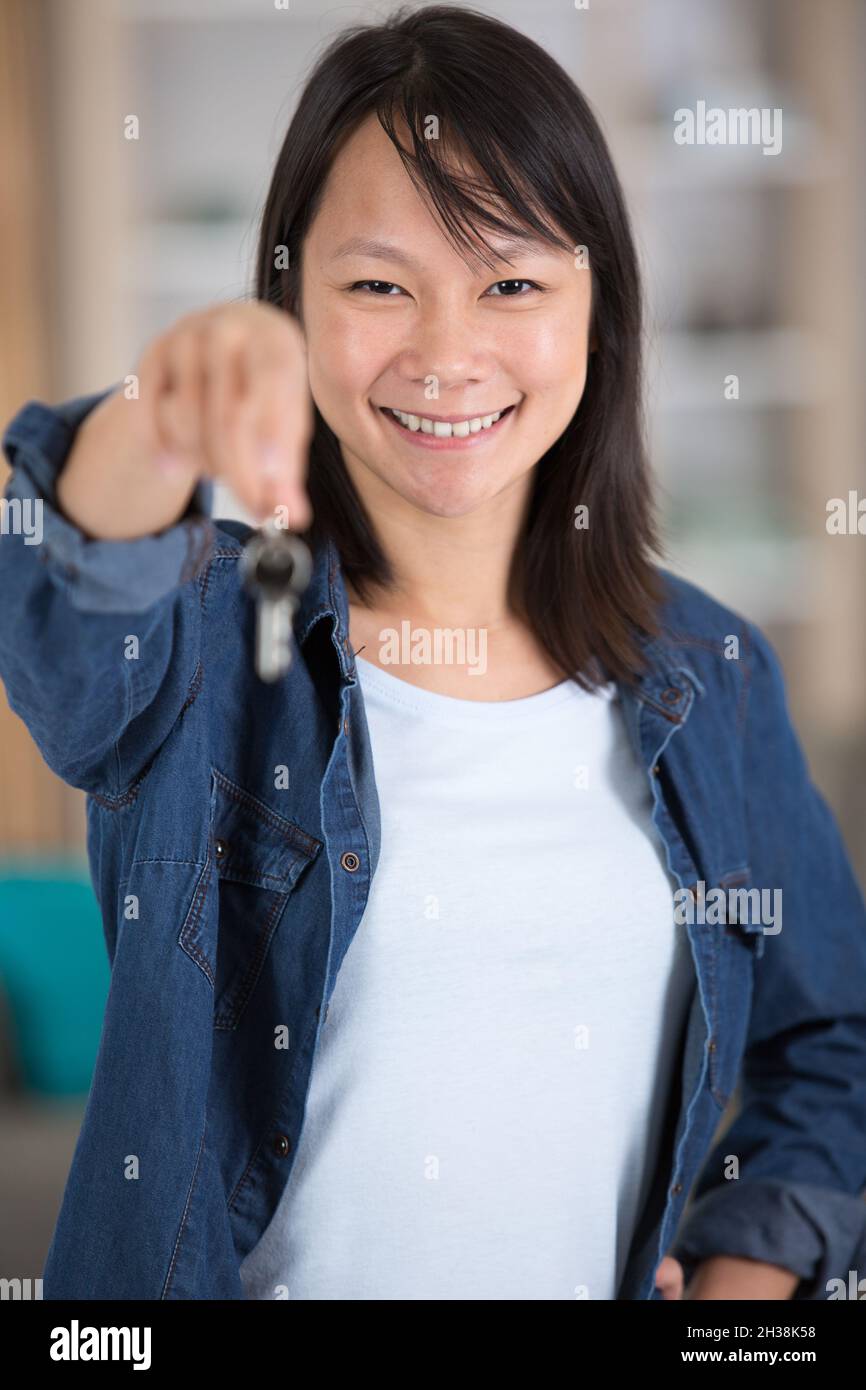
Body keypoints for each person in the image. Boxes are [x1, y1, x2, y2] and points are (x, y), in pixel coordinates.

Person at [2, 3, 866, 1302]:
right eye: (377, 283)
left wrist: (745, 1289)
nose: (447, 353)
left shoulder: (710, 672)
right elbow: (67, 583)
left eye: (510, 281)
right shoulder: (208, 641)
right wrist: (160, 402)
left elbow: (833, 1038)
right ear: (290, 298)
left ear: (597, 308)